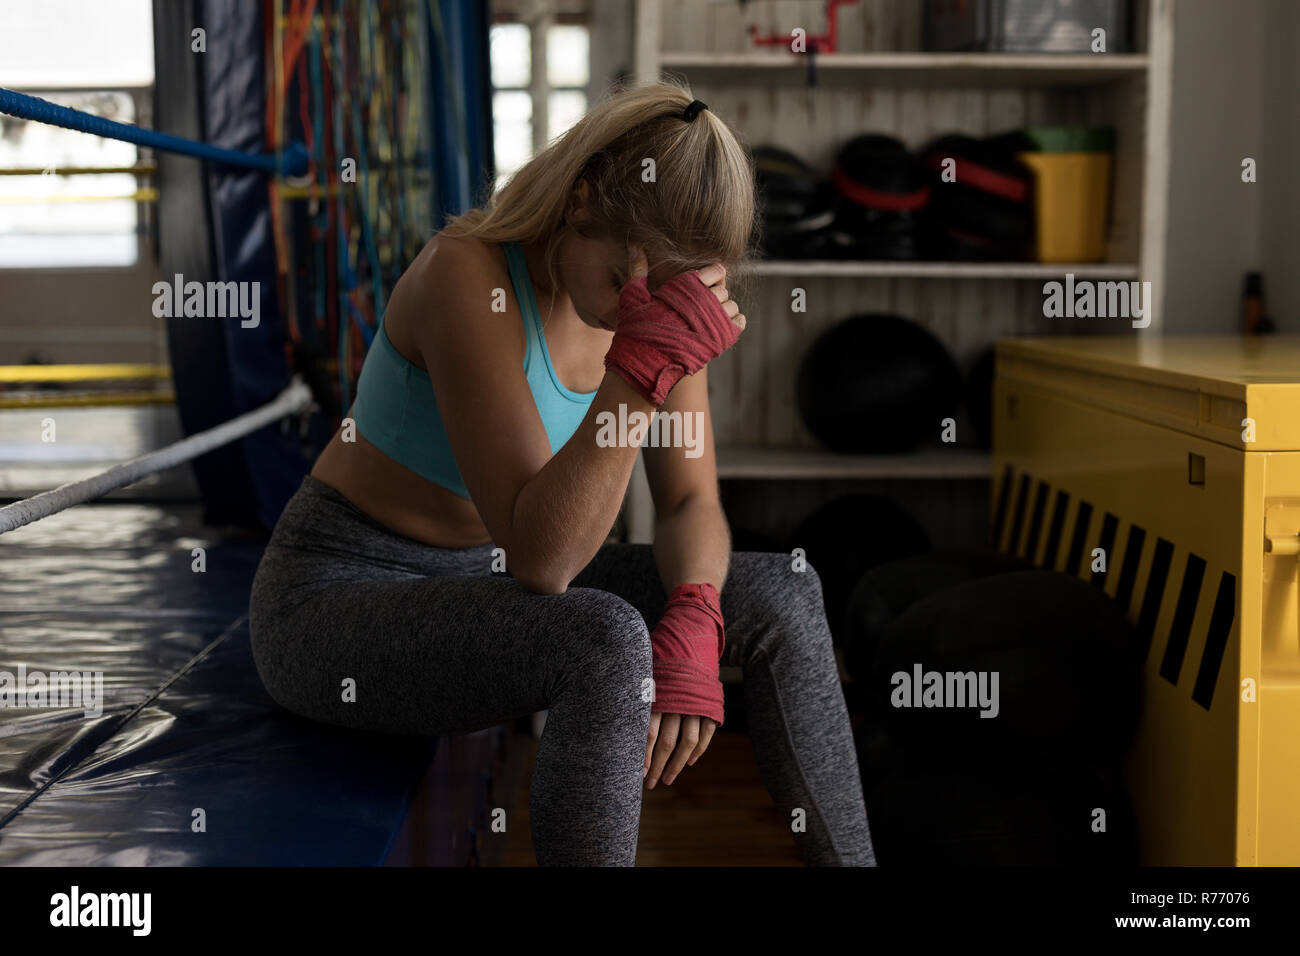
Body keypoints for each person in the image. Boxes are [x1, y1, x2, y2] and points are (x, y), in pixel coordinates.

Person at [249, 80, 875, 866]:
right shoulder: (466, 276)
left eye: (657, 300)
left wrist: (694, 610)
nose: (627, 313)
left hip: (482, 586)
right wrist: (641, 368)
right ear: (579, 204)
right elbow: (544, 561)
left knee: (783, 588)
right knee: (603, 639)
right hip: (340, 598)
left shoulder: (663, 310)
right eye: (621, 281)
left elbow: (688, 503)